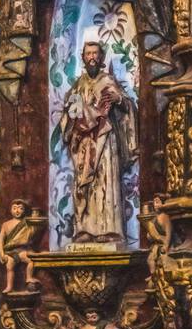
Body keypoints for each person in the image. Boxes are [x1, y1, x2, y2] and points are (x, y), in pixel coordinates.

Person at [59, 41, 137, 245]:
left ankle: (109, 229)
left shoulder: (108, 80)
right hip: (85, 143)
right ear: (83, 58)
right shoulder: (78, 85)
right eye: (88, 54)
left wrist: (118, 100)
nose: (92, 57)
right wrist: (86, 113)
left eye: (95, 53)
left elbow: (127, 105)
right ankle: (85, 230)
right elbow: (71, 115)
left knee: (106, 181)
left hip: (105, 140)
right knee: (85, 183)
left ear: (101, 57)